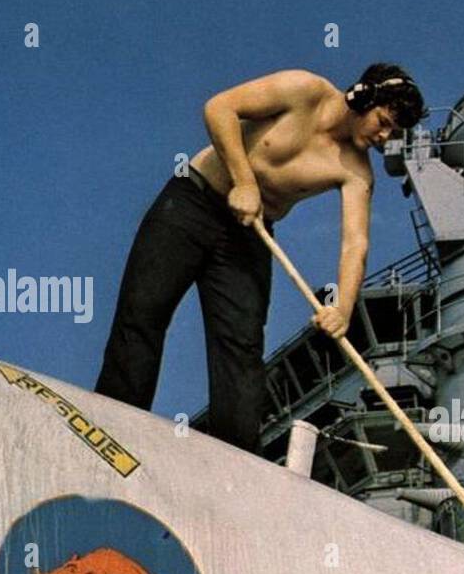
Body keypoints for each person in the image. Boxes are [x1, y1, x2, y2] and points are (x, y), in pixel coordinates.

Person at [94, 64, 426, 452]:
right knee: (143, 313)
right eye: (383, 122)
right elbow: (219, 108)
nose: (384, 137)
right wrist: (244, 180)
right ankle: (112, 426)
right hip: (192, 203)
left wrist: (344, 308)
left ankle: (233, 464)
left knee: (242, 349)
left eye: (393, 133)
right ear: (362, 97)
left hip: (251, 234)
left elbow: (356, 243)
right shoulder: (303, 89)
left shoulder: (356, 172)